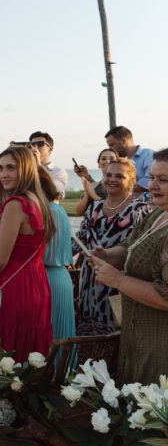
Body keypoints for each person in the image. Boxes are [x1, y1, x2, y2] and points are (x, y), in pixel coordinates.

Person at [88, 148, 168, 383]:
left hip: (160, 344)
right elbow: (131, 246)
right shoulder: (157, 215)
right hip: (137, 335)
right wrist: (108, 255)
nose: (152, 185)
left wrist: (118, 280)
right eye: (152, 177)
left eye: (163, 180)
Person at [0, 146, 54, 362]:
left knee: (6, 352)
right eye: (0, 168)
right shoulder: (39, 201)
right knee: (29, 354)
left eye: (11, 168)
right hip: (37, 282)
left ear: (27, 170)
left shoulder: (15, 205)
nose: (3, 174)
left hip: (13, 286)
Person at [73, 158, 150, 335]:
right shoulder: (94, 208)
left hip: (118, 284)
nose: (111, 180)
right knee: (89, 338)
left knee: (116, 337)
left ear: (130, 180)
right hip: (89, 281)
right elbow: (80, 240)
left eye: (119, 176)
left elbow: (141, 252)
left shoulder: (140, 210)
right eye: (108, 175)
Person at [38, 167, 76, 343]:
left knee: (53, 336)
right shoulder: (56, 209)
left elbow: (43, 253)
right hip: (59, 277)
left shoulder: (49, 211)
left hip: (48, 278)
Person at [104, 126, 154, 197]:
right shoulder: (118, 161)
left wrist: (119, 186)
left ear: (124, 141)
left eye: (112, 145)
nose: (110, 149)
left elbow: (150, 181)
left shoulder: (148, 155)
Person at [74, 148, 117, 216]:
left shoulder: (120, 186)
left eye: (112, 159)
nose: (108, 161)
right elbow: (78, 212)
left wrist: (94, 196)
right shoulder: (95, 186)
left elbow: (116, 210)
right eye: (103, 159)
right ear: (99, 164)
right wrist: (87, 195)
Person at [29, 131, 68, 199]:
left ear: (50, 149)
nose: (35, 147)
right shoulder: (25, 169)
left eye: (40, 144)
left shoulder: (58, 171)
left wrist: (38, 165)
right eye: (32, 144)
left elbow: (55, 192)